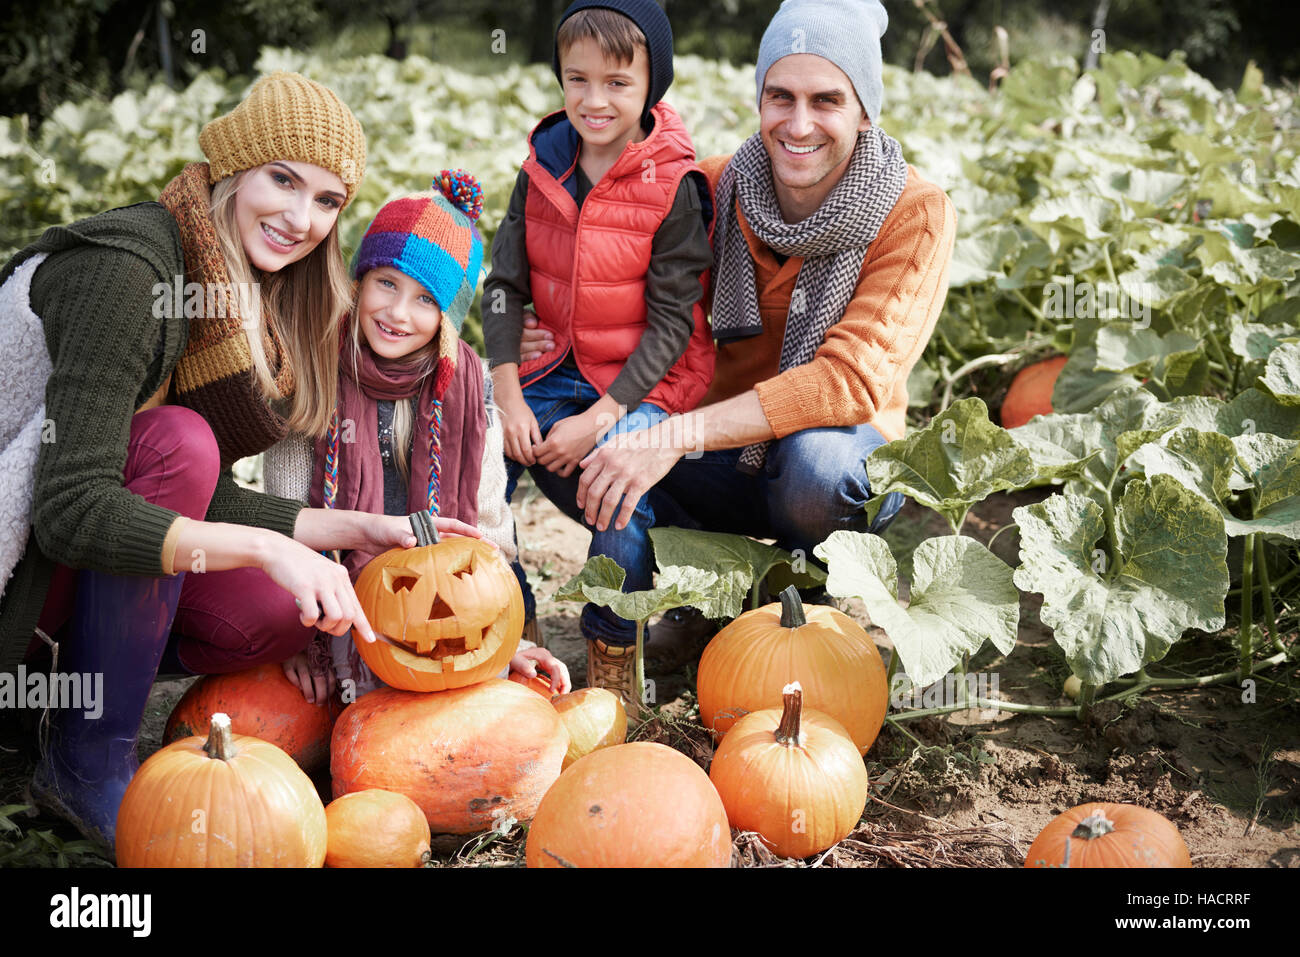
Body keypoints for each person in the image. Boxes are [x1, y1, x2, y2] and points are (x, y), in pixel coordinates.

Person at [0, 72, 478, 853]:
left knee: (268, 610)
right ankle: (89, 758)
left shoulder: (232, 288)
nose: (301, 219)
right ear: (231, 167)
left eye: (328, 200)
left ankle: (54, 697)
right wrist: (271, 544)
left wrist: (365, 524)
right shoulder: (131, 272)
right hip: (15, 553)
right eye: (282, 180)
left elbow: (192, 494)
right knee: (183, 441)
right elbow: (70, 505)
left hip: (48, 560)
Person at [552, 0, 958, 666]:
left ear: (864, 110)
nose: (799, 124)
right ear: (760, 100)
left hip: (829, 464)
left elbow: (848, 381)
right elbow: (629, 306)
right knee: (573, 426)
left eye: (827, 100)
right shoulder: (714, 187)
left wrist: (671, 435)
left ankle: (803, 599)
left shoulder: (915, 212)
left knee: (814, 468)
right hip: (717, 458)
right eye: (780, 97)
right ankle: (644, 632)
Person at [482, 0, 714, 708]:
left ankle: (614, 658)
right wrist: (506, 389)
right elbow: (501, 288)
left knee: (617, 486)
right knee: (483, 445)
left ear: (652, 84)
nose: (594, 100)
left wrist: (605, 416)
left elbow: (675, 322)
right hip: (556, 372)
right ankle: (504, 629)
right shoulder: (543, 167)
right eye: (576, 80)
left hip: (645, 382)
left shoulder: (674, 182)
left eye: (617, 82)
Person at [263, 171, 571, 702]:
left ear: (448, 316)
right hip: (336, 598)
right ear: (360, 281)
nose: (398, 314)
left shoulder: (469, 392)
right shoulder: (315, 374)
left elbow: (488, 533)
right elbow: (285, 519)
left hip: (435, 603)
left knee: (490, 711)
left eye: (426, 300)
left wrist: (499, 637)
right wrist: (289, 639)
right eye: (386, 283)